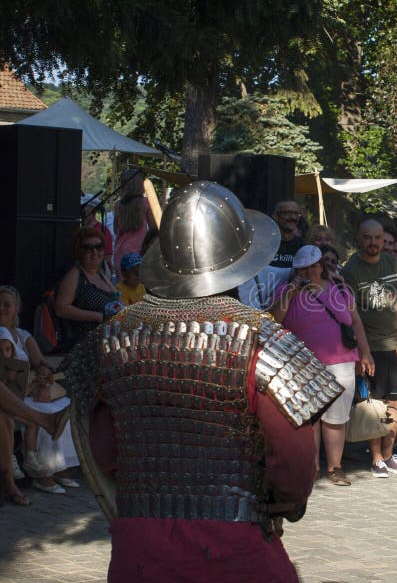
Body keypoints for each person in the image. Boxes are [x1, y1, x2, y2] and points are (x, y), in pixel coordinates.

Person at [62, 181, 342, 582]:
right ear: (243, 257)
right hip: (236, 547)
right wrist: (281, 506)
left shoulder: (116, 336)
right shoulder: (260, 340)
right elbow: (295, 464)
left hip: (139, 549)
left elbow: (103, 448)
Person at [270, 245, 372, 486]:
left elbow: (355, 321)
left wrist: (365, 353)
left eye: (314, 266)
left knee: (336, 417)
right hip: (302, 362)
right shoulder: (285, 290)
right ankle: (312, 468)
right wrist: (290, 294)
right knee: (310, 418)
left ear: (322, 267)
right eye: (304, 268)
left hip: (341, 360)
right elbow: (274, 319)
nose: (310, 272)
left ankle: (335, 467)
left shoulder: (339, 288)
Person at [341, 219, 397, 478]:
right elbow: (351, 314)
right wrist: (363, 351)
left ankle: (390, 453)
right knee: (374, 404)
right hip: (370, 348)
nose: (373, 243)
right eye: (368, 237)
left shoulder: (394, 264)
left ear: (383, 239)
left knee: (396, 403)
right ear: (359, 239)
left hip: (395, 345)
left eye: (377, 237)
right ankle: (376, 458)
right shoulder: (351, 270)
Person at [0, 285, 79, 495]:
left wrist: (44, 374)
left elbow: (40, 363)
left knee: (63, 405)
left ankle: (59, 466)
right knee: (45, 409)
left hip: (28, 387)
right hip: (14, 392)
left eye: (7, 305)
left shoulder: (23, 336)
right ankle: (41, 472)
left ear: (17, 309)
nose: (2, 309)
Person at [55, 227, 121, 349]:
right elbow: (61, 308)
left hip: (108, 342)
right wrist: (98, 316)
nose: (95, 252)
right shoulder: (75, 275)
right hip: (86, 345)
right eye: (88, 248)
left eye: (99, 247)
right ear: (80, 251)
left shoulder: (101, 273)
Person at [238, 199, 304, 311]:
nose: (293, 217)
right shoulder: (263, 245)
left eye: (296, 213)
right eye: (287, 213)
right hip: (257, 306)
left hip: (288, 307)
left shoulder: (302, 246)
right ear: (275, 215)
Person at [113, 169, 156, 279]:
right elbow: (153, 229)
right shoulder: (145, 203)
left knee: (123, 287)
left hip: (120, 250)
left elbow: (115, 229)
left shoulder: (118, 205)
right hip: (138, 251)